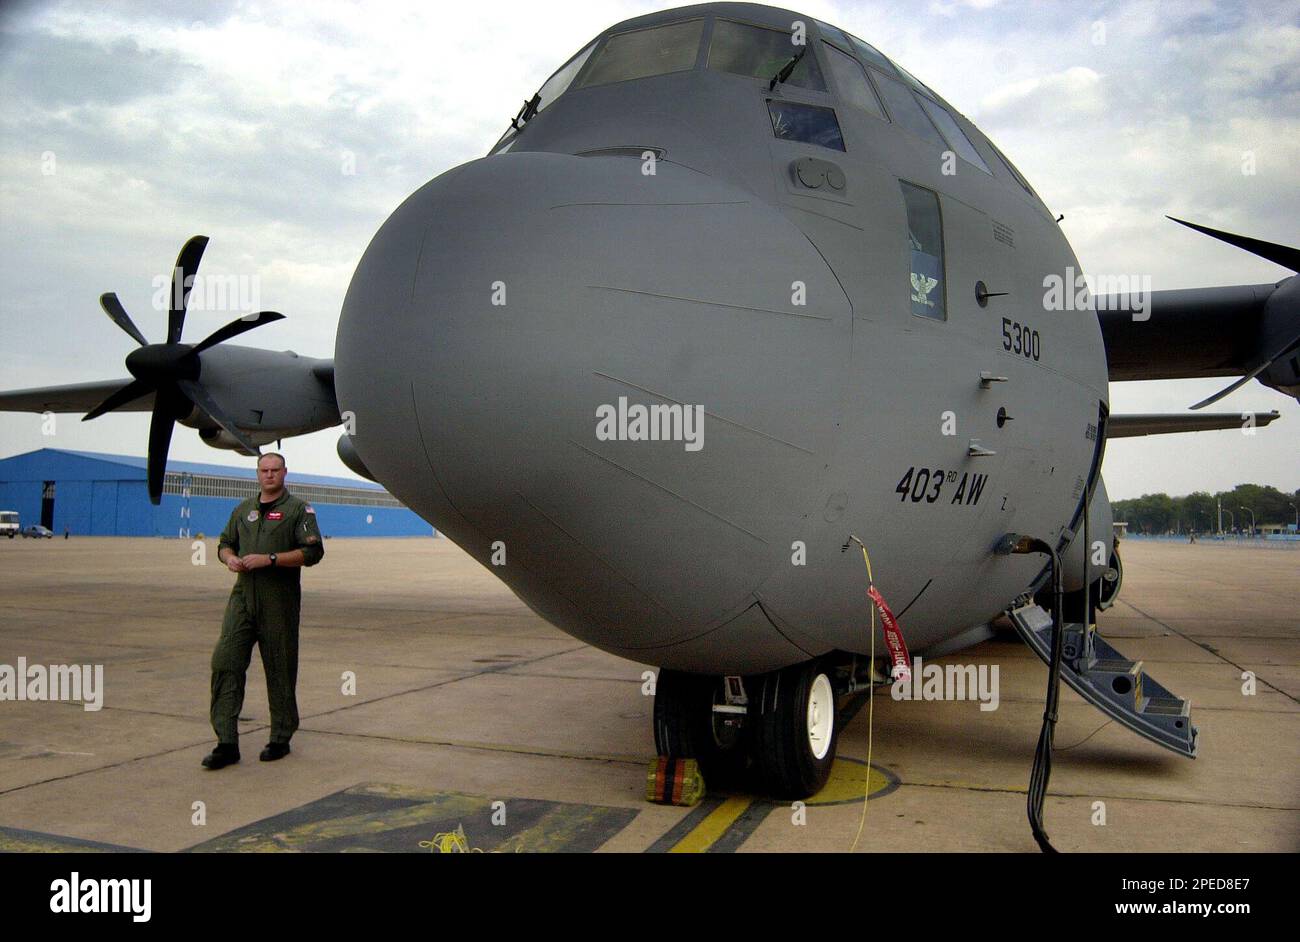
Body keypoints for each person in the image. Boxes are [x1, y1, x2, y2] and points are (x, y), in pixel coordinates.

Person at [201, 452, 324, 770]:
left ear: (285, 473)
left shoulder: (298, 510)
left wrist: (270, 559)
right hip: (242, 596)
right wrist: (229, 558)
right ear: (257, 473)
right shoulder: (244, 510)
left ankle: (280, 737)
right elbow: (224, 542)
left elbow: (312, 552)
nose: (269, 475)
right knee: (226, 661)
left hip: (278, 600)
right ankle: (226, 742)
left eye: (275, 470)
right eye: (264, 470)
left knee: (280, 667)